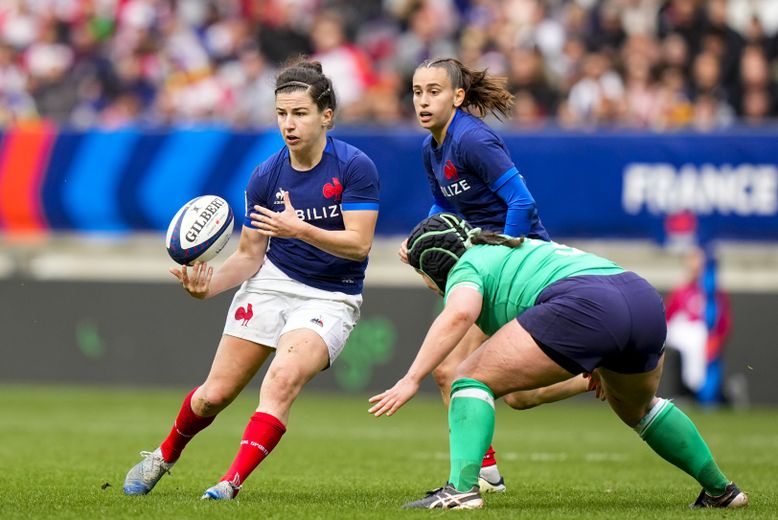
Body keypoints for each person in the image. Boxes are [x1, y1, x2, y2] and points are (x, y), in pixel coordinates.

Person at [122, 59, 380, 500]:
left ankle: (229, 482)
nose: (289, 124)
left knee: (280, 380)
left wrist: (301, 229)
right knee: (212, 397)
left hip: (330, 297)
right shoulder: (265, 175)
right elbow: (249, 255)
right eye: (282, 114)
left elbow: (358, 245)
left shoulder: (354, 167)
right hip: (272, 283)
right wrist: (210, 287)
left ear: (326, 115)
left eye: (300, 113)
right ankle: (164, 455)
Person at [369, 213, 748, 510]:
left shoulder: (466, 267)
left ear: (433, 269)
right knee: (639, 409)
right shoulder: (506, 245)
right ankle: (721, 490)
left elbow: (458, 315)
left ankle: (462, 491)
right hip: (641, 297)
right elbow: (521, 395)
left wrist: (411, 378)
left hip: (587, 305)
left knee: (468, 379)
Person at [398, 57, 590, 492]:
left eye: (434, 91)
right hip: (484, 266)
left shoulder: (473, 140)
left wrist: (498, 259)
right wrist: (420, 239)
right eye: (416, 91)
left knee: (450, 370)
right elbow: (445, 207)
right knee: (517, 396)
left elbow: (523, 204)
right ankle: (591, 374)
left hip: (520, 266)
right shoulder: (431, 148)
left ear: (458, 97)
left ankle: (480, 476)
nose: (423, 101)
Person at [665, 246, 731, 405]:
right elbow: (668, 316)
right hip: (681, 333)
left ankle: (700, 389)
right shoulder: (681, 290)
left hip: (704, 339)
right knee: (694, 336)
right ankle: (692, 386)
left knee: (700, 338)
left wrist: (716, 340)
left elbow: (723, 323)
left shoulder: (714, 294)